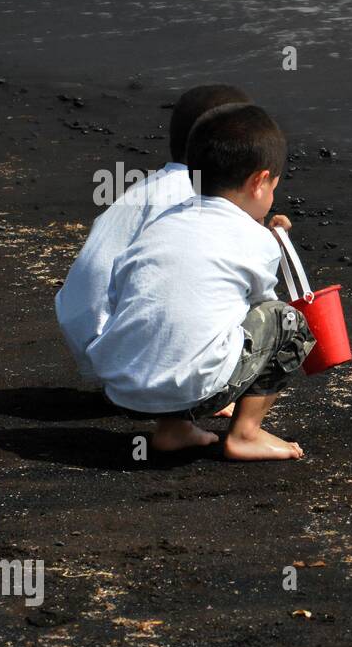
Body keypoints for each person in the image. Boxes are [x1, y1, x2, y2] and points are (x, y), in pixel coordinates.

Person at [87, 104, 315, 460]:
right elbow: (261, 311)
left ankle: (173, 430)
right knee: (288, 322)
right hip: (192, 389)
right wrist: (272, 241)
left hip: (123, 388)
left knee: (173, 318)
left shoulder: (162, 224)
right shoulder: (256, 240)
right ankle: (245, 434)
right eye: (273, 186)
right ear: (259, 182)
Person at [55, 84, 262, 379]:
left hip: (91, 346)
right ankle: (202, 391)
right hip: (133, 358)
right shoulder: (197, 196)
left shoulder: (143, 189)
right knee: (265, 310)